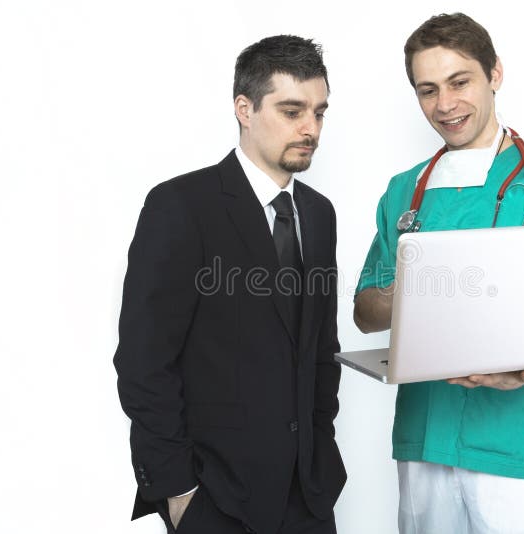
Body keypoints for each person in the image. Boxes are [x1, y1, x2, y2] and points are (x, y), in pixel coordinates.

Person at [353, 13, 524, 534]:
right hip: (424, 436)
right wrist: (420, 287)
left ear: (495, 73)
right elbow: (364, 312)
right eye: (427, 90)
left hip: (513, 441)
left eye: (460, 81)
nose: (445, 105)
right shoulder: (404, 191)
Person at [114, 35, 345, 534]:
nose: (311, 129)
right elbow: (143, 362)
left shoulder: (319, 213)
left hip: (308, 495)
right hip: (216, 499)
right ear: (245, 108)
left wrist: (320, 446)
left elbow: (320, 350)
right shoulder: (180, 206)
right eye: (292, 111)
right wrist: (179, 493)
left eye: (320, 112)